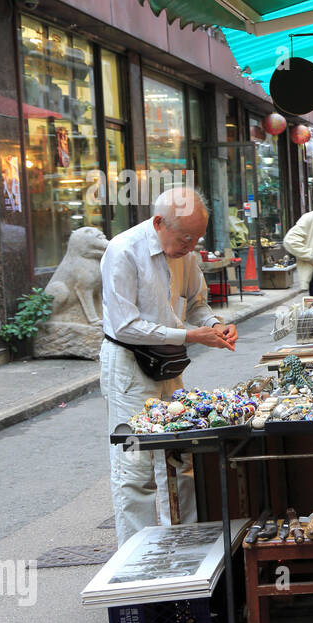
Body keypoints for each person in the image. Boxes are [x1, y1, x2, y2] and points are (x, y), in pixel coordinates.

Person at [100, 187, 237, 547]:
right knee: (136, 466)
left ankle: (188, 549)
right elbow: (125, 325)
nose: (191, 246)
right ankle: (141, 558)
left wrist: (215, 323)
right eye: (185, 238)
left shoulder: (186, 253)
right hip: (130, 363)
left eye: (197, 239)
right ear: (159, 222)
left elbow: (197, 302)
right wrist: (192, 335)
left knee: (180, 452)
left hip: (169, 361)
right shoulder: (124, 251)